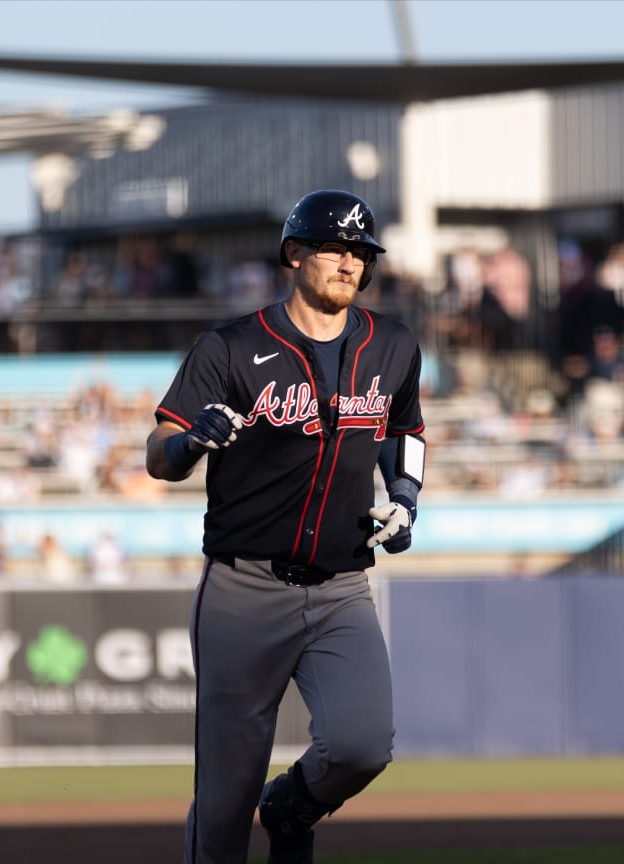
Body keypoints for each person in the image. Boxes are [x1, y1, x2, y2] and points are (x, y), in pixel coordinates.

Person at [145, 189, 426, 864]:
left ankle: (291, 807)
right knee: (223, 800)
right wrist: (190, 442)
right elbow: (160, 453)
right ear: (293, 254)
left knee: (361, 745)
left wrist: (408, 495)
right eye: (334, 247)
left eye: (360, 251)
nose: (348, 261)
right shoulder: (232, 347)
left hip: (341, 588)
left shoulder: (391, 344)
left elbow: (404, 430)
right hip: (245, 590)